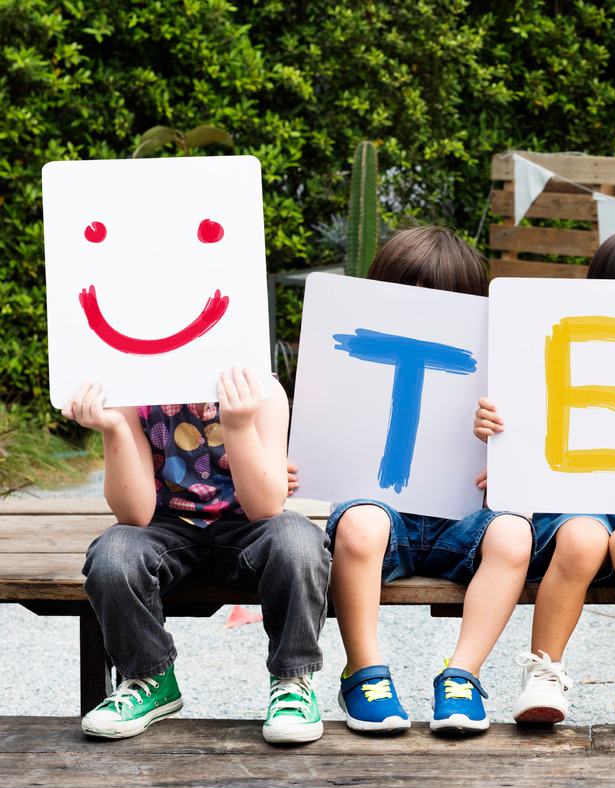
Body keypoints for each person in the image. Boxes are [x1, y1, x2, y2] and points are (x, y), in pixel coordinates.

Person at [472, 228, 615, 724]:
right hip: (577, 500)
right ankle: (543, 672)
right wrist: (496, 439)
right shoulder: (549, 362)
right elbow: (526, 438)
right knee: (580, 539)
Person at [326, 226, 533, 735]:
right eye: (404, 296)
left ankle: (462, 674)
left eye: (440, 302)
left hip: (458, 524)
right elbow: (320, 435)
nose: (421, 311)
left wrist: (501, 447)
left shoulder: (503, 367)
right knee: (361, 524)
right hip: (382, 519)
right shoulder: (349, 353)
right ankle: (364, 673)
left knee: (513, 531)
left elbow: (525, 467)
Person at [67, 365, 330, 743]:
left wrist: (238, 425)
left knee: (299, 543)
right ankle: (149, 677)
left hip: (248, 526)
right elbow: (134, 515)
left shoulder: (264, 393)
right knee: (112, 557)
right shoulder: (133, 396)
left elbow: (265, 507)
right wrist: (115, 429)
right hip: (164, 526)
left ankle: (293, 679)